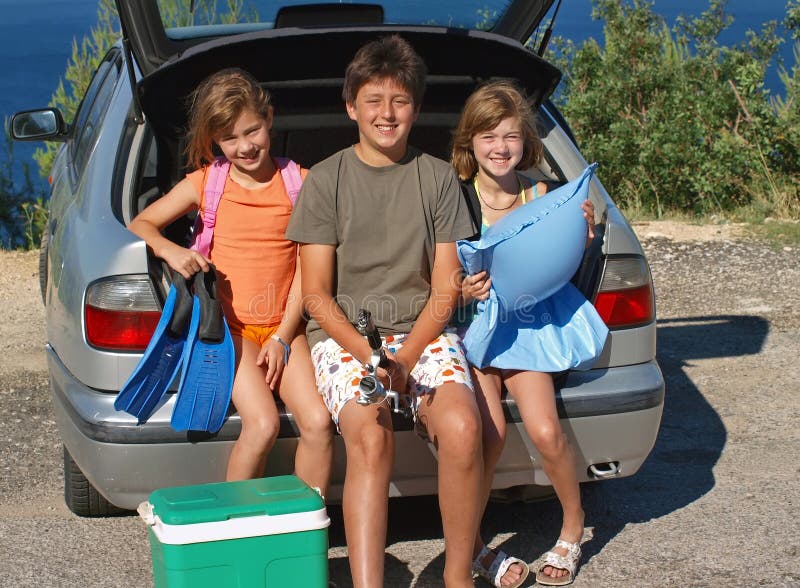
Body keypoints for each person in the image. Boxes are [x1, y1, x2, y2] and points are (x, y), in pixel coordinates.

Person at [286, 35, 483, 588]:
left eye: (399, 101)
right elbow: (317, 296)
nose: (386, 114)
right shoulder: (325, 181)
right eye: (373, 101)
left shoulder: (438, 177)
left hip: (421, 333)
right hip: (347, 339)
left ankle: (458, 576)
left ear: (415, 108)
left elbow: (446, 287)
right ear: (352, 107)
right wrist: (374, 357)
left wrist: (407, 357)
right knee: (371, 437)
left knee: (464, 427)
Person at [128, 68, 333, 495]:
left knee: (317, 421)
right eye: (230, 139)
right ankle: (237, 527)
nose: (245, 146)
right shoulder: (206, 183)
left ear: (269, 118)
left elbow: (305, 271)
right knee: (261, 425)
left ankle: (303, 524)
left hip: (285, 329)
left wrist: (282, 336)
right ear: (215, 142)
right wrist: (172, 250)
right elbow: (142, 224)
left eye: (252, 131)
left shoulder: (301, 183)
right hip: (231, 333)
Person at [451, 81, 596, 587]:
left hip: (526, 327)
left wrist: (584, 232)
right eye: (489, 135)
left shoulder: (542, 194)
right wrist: (460, 289)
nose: (501, 147)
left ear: (526, 141)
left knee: (545, 431)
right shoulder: (455, 197)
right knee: (485, 441)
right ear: (470, 140)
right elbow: (434, 270)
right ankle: (472, 546)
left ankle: (573, 527)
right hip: (472, 332)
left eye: (511, 136)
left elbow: (562, 253)